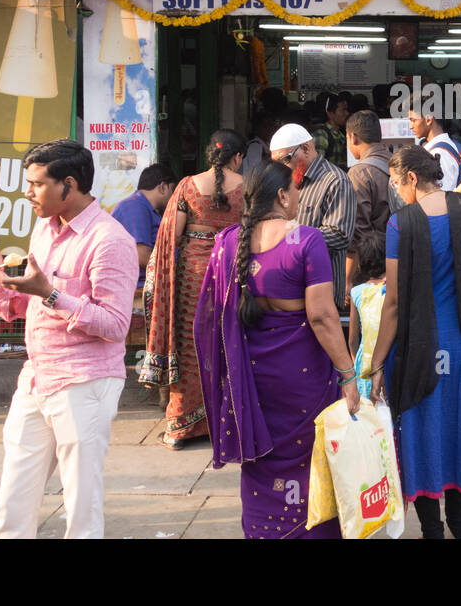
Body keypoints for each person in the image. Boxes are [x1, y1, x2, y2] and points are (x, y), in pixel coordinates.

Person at [0, 139, 138, 539]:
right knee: (13, 494)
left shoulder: (110, 240)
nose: (27, 193)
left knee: (81, 502)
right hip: (37, 377)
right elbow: (28, 308)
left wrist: (49, 292)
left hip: (86, 382)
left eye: (36, 184)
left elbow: (116, 325)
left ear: (69, 184)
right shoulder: (44, 231)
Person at [193, 161, 359, 539]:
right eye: (295, 191)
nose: (298, 198)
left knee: (261, 458)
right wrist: (348, 374)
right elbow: (322, 317)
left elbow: (213, 319)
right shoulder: (306, 240)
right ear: (283, 196)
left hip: (251, 378)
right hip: (301, 377)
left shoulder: (228, 242)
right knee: (309, 456)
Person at [368, 145, 461, 539]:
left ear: (412, 179)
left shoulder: (401, 224)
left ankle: (432, 530)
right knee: (459, 430)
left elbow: (395, 303)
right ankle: (460, 525)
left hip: (419, 348)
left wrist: (377, 363)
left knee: (424, 435)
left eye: (396, 185)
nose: (396, 193)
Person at [141, 131, 245, 449]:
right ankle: (229, 425)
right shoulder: (247, 188)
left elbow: (170, 236)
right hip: (230, 272)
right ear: (237, 157)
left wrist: (161, 278)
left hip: (192, 276)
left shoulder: (187, 186)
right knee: (227, 345)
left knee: (190, 348)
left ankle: (179, 428)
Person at [270, 123, 357, 301]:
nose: (282, 168)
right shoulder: (286, 181)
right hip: (292, 287)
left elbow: (339, 235)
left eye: (285, 159)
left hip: (322, 292)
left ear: (306, 148)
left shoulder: (335, 181)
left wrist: (289, 237)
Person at [345, 108, 399, 304]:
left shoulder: (359, 173)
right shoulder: (398, 164)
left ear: (353, 137)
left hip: (372, 271)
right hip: (401, 260)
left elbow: (357, 231)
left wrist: (348, 279)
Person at [111, 163, 176, 289]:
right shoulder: (135, 207)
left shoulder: (144, 207)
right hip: (138, 290)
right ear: (162, 187)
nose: (174, 198)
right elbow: (142, 256)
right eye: (172, 190)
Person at [347, 231, 387, 400]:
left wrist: (356, 360)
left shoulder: (357, 292)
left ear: (360, 264)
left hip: (366, 362)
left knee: (369, 417)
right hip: (388, 360)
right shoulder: (393, 290)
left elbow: (353, 338)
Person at [408, 107, 461, 190]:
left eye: (413, 120)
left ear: (428, 119)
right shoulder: (450, 146)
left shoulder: (439, 153)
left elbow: (443, 196)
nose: (410, 126)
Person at [313, 92, 349, 169]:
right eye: (343, 110)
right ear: (330, 114)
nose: (347, 113)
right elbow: (316, 166)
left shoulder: (340, 135)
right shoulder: (321, 135)